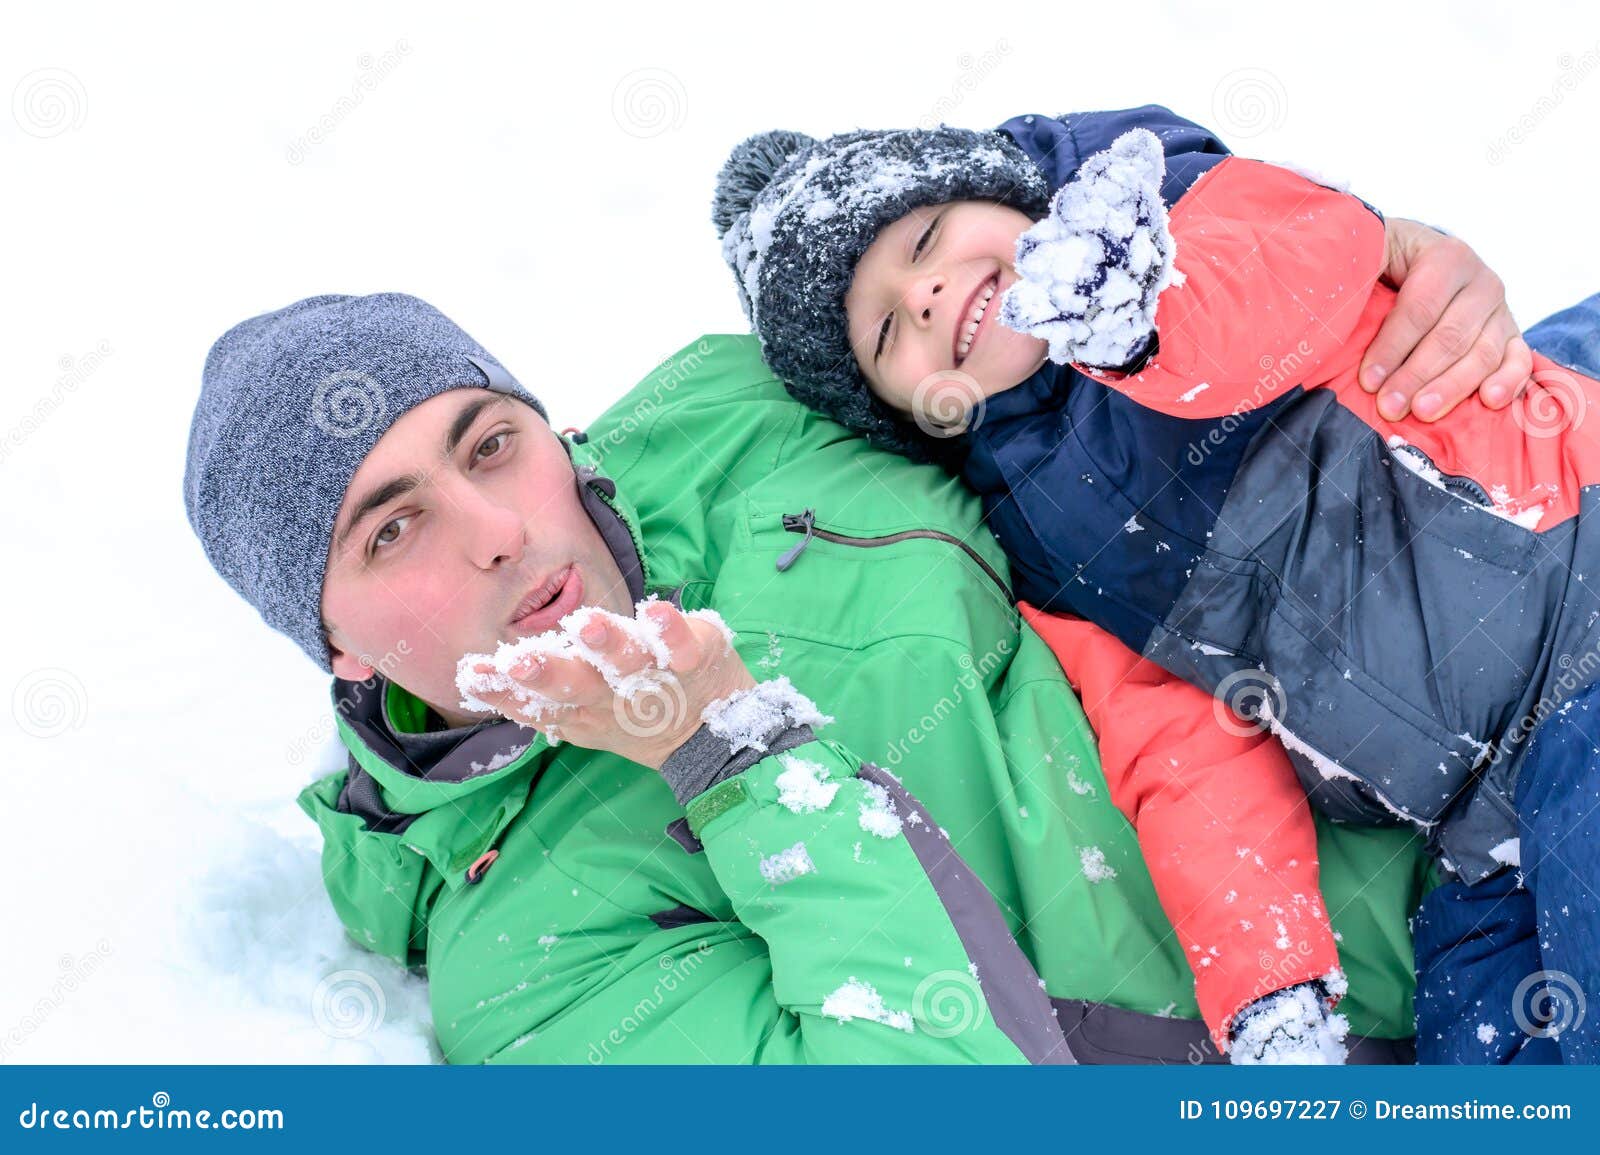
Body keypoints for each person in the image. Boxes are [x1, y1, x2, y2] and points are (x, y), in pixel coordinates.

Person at [183, 293, 1435, 1063]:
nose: (498, 530)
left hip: (1421, 535)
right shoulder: (526, 971)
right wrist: (727, 754)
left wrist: (1382, 266)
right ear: (337, 649)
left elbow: (1002, 249)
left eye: (492, 447)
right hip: (1432, 924)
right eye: (394, 530)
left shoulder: (725, 399)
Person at [710, 105, 1599, 1062]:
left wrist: (1144, 319)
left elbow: (1307, 269)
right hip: (1478, 829)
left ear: (1001, 192)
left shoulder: (1175, 208)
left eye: (925, 238)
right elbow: (1182, 741)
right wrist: (1268, 983)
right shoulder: (1043, 543)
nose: (924, 295)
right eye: (888, 331)